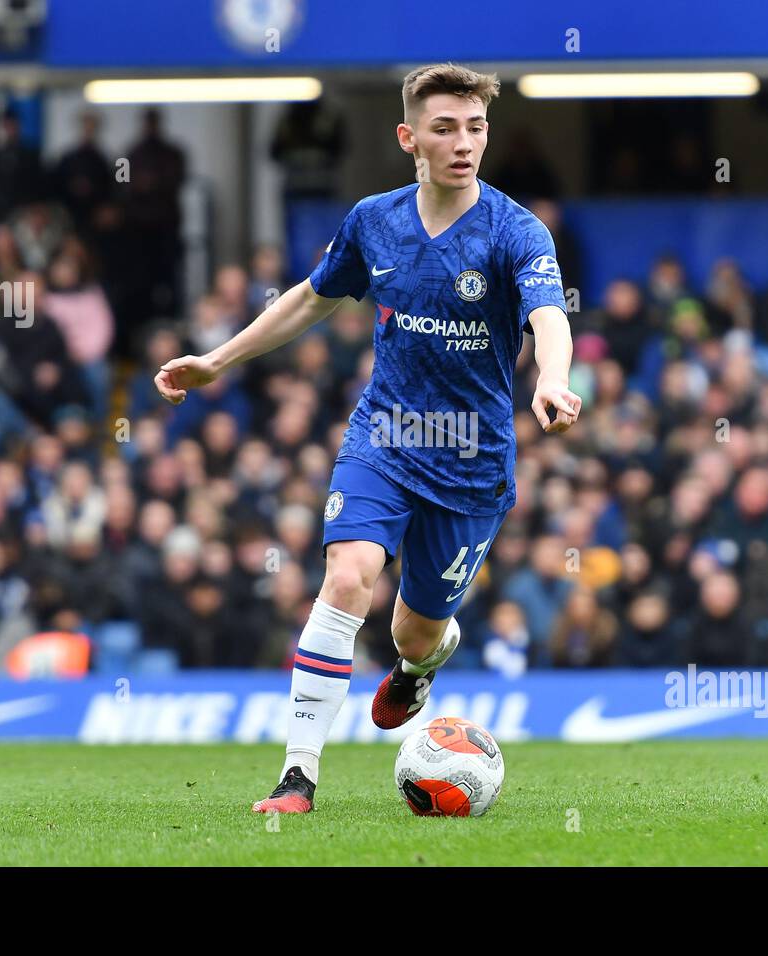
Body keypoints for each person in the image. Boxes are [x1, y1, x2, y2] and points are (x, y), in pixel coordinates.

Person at [155, 63, 580, 812]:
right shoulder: (374, 220)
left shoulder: (516, 230)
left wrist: (550, 379)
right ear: (408, 137)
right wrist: (216, 361)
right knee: (348, 574)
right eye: (444, 128)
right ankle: (298, 777)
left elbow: (551, 314)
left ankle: (423, 664)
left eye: (475, 127)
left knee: (414, 633)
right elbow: (310, 300)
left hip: (472, 461)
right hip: (384, 434)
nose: (463, 143)